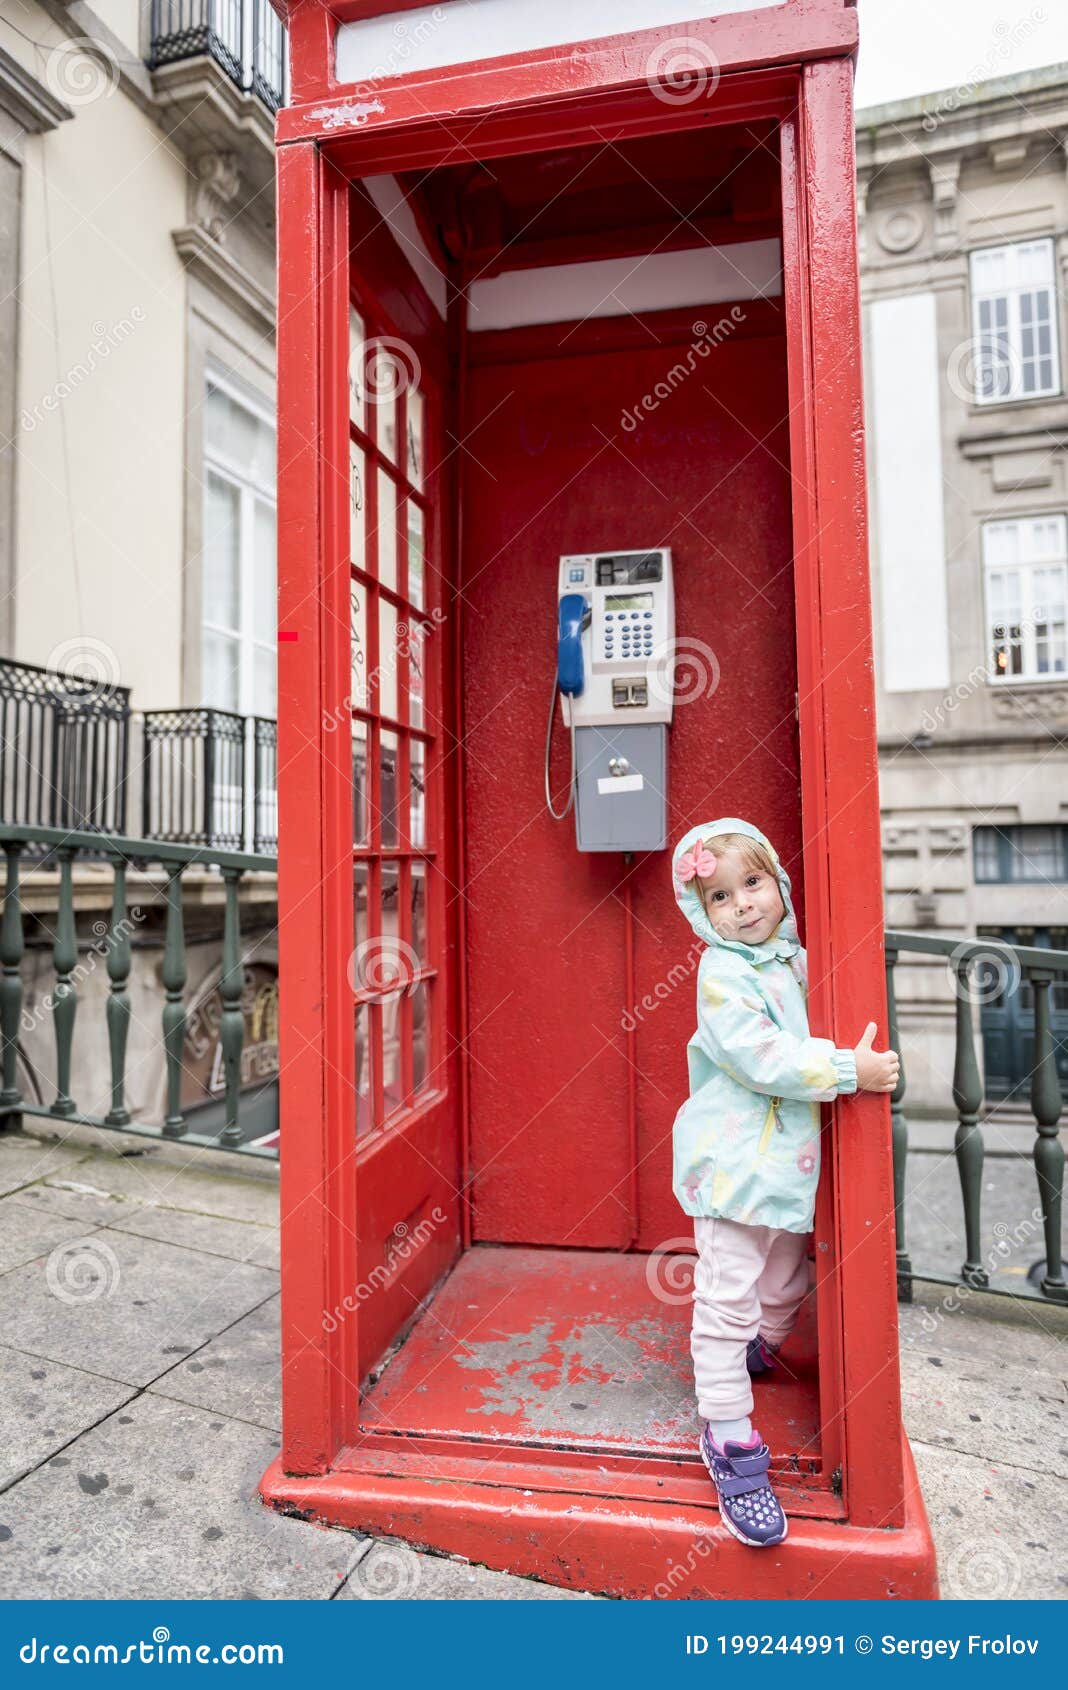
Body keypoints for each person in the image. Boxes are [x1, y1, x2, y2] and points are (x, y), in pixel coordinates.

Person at [670, 817, 899, 1548]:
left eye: (753, 884)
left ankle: (757, 1351)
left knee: (787, 1279)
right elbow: (761, 1055)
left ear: (780, 884)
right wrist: (846, 1071)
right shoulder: (723, 973)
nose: (741, 905)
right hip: (732, 1164)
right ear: (701, 915)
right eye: (719, 897)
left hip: (785, 1167)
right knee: (727, 1294)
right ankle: (730, 1434)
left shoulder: (796, 958)